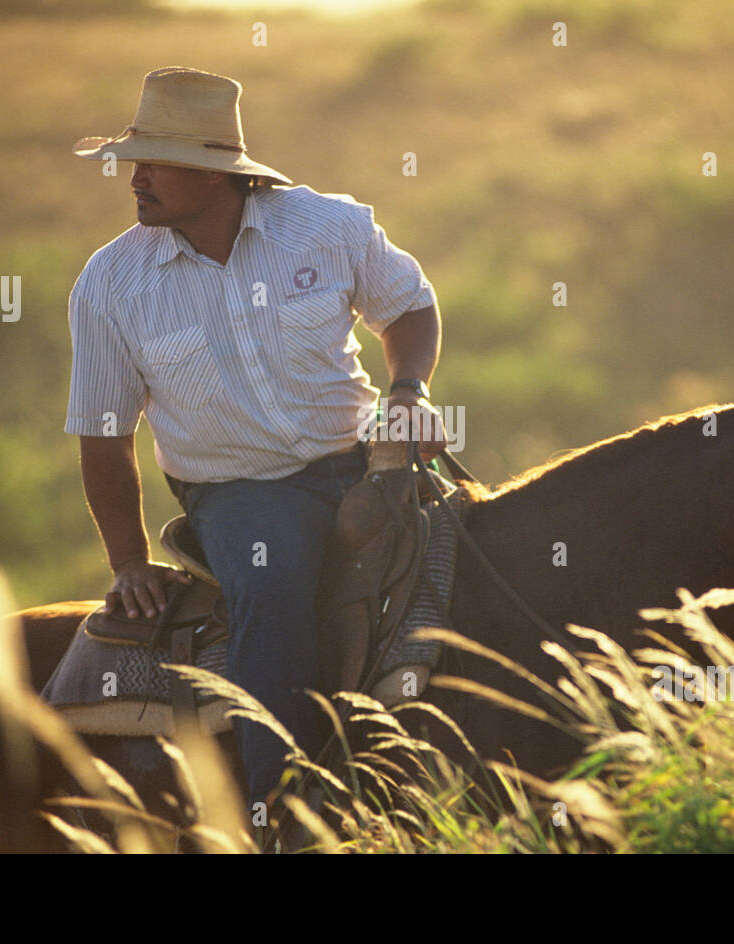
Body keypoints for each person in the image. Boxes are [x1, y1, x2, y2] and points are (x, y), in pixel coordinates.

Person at [65, 66, 446, 809]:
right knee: (270, 589)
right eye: (131, 159)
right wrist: (127, 562)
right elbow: (104, 439)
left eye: (154, 161)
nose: (134, 177)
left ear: (216, 175)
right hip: (239, 494)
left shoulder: (330, 226)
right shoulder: (110, 285)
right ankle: (289, 814)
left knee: (481, 541)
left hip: (367, 458)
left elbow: (410, 307)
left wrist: (408, 391)